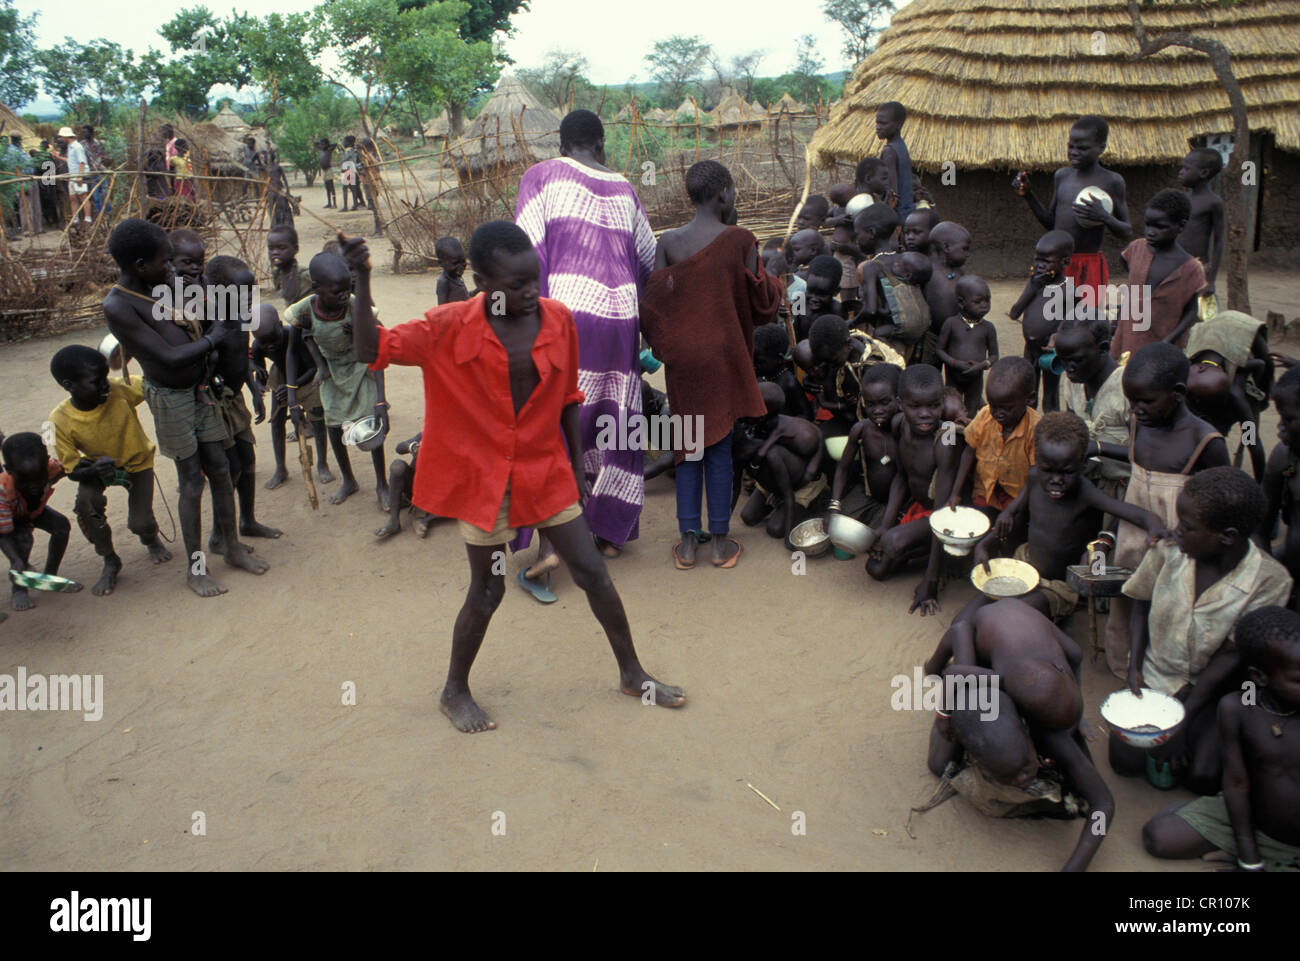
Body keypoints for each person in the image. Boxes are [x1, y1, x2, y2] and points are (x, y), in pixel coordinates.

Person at [349, 220, 685, 732]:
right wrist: (361, 280)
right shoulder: (446, 326)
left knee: (592, 572)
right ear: (482, 280)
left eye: (535, 280)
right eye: (517, 285)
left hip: (544, 469)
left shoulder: (557, 320)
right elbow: (369, 349)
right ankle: (453, 690)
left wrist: (576, 469)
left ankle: (632, 673)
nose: (532, 293)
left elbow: (569, 400)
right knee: (488, 592)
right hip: (485, 481)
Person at [512, 110, 658, 589]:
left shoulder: (541, 176)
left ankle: (552, 544)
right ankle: (610, 531)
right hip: (620, 322)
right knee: (616, 417)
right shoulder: (623, 187)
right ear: (600, 144)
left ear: (563, 144)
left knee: (557, 420)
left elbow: (526, 254)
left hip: (566, 316)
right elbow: (648, 258)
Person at [102, 218, 268, 597]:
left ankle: (231, 546)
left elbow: (207, 305)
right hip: (172, 399)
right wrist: (215, 339)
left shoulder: (163, 284)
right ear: (141, 265)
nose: (173, 269)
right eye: (167, 262)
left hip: (201, 390)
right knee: (192, 483)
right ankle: (196, 570)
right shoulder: (119, 305)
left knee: (223, 471)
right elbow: (169, 356)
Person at [640, 159, 782, 571]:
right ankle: (720, 544)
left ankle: (686, 545)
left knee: (688, 446)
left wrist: (670, 348)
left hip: (685, 360)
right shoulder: (740, 239)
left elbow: (653, 305)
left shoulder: (667, 241)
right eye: (733, 190)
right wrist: (772, 274)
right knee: (719, 447)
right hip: (724, 356)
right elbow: (764, 303)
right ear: (724, 193)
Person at [1117, 467, 1292, 793]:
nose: (1176, 530)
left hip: (1210, 690)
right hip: (1158, 675)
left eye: (1188, 527)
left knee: (1203, 778)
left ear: (1226, 536)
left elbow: (1230, 658)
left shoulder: (1270, 581)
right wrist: (1134, 668)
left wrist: (1183, 720)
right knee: (1125, 762)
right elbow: (1140, 601)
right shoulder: (1168, 550)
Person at [923, 601, 1114, 872]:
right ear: (974, 759)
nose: (1024, 780)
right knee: (938, 763)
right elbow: (958, 653)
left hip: (1035, 654)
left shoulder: (1050, 728)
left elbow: (1103, 805)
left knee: (1072, 769)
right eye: (1012, 775)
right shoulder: (1000, 679)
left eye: (1025, 768)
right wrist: (943, 715)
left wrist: (1075, 867)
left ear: (1028, 731)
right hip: (996, 634)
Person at [1102, 342, 1230, 677]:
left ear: (1177, 393)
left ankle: (1163, 675)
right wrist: (1107, 535)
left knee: (1169, 611)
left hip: (1180, 548)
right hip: (1133, 541)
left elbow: (1224, 504)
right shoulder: (1140, 426)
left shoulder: (1206, 443)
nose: (1136, 410)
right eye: (1132, 402)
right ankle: (1125, 667)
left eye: (1145, 401)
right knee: (1127, 599)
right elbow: (1134, 487)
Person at [1142, 606, 1300, 872]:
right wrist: (1249, 858)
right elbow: (1236, 784)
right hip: (1258, 820)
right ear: (1259, 677)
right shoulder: (1236, 709)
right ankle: (1260, 852)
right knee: (1158, 836)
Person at [969, 411, 1165, 623]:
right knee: (970, 613)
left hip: (1058, 587)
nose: (1056, 480)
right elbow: (1012, 514)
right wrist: (984, 545)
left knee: (1008, 614)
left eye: (1066, 472)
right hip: (1024, 565)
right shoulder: (1034, 479)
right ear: (1037, 462)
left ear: (1082, 466)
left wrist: (1153, 525)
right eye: (1048, 470)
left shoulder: (1085, 492)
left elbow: (1135, 514)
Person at [48, 345, 171, 596]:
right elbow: (71, 470)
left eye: (106, 377)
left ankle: (149, 538)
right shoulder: (58, 420)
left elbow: (152, 383)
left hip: (137, 462)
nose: (106, 385)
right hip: (97, 469)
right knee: (86, 504)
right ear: (69, 385)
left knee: (140, 523)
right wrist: (92, 468)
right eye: (96, 382)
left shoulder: (118, 389)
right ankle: (109, 558)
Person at [285, 252, 389, 508]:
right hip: (330, 370)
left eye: (347, 289)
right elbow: (292, 350)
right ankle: (349, 480)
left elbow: (379, 345)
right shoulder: (304, 310)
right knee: (333, 425)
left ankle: (382, 484)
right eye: (337, 292)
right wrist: (290, 395)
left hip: (360, 367)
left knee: (370, 427)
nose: (344, 295)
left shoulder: (355, 306)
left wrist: (380, 400)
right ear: (316, 289)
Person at [865, 363, 964, 614]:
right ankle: (923, 550)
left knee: (893, 543)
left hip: (946, 515)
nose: (925, 415)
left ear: (941, 403)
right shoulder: (900, 425)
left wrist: (930, 581)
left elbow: (943, 515)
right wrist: (886, 524)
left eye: (933, 406)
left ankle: (943, 560)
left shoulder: (944, 442)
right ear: (900, 403)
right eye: (915, 407)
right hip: (920, 508)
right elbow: (901, 477)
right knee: (875, 569)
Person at [1012, 115, 1132, 315]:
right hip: (1058, 263)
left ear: (1101, 148)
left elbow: (1126, 231)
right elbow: (1052, 224)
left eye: (1082, 148)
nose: (1074, 152)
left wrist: (1105, 217)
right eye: (1070, 147)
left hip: (1089, 265)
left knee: (1084, 321)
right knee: (1051, 317)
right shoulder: (1062, 176)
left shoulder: (1111, 181)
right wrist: (1029, 195)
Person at [204, 256, 281, 544]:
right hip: (216, 404)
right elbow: (210, 366)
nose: (250, 296)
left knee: (247, 461)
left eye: (251, 289)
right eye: (242, 290)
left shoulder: (239, 315)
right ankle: (218, 535)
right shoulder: (214, 322)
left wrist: (253, 389)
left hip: (235, 400)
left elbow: (242, 356)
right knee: (229, 470)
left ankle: (247, 521)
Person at [1110, 189, 1206, 360]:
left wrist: (1169, 340)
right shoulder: (1136, 249)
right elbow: (1132, 279)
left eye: (1160, 227)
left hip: (1163, 342)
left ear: (1181, 226)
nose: (1150, 232)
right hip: (1127, 336)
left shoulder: (1191, 269)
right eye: (1148, 224)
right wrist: (1118, 318)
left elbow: (1192, 312)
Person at [251, 304, 333, 490]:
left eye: (273, 339)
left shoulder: (294, 336)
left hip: (307, 379)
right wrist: (259, 388)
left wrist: (292, 388)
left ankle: (322, 464)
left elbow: (313, 368)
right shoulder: (258, 345)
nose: (269, 346)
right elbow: (261, 374)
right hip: (281, 379)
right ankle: (281, 469)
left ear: (281, 325)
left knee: (318, 419)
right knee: (277, 421)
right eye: (264, 343)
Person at [1186, 309, 1271, 481]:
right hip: (1212, 341)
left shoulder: (1236, 395)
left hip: (1243, 336)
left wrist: (1262, 394)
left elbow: (1253, 443)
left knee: (1249, 434)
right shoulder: (1187, 377)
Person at [1055, 313, 1131, 506]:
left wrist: (1098, 448)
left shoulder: (1127, 388)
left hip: (1124, 491)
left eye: (1076, 360)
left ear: (1103, 348)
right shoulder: (1072, 383)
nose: (1068, 368)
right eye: (1063, 360)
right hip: (1086, 485)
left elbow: (1147, 452)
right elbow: (1070, 428)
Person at [734, 382, 824, 541]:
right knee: (748, 517)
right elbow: (734, 486)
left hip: (798, 484)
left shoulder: (771, 450)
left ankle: (813, 503)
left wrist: (791, 537)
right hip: (777, 481)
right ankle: (778, 501)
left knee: (775, 530)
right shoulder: (759, 429)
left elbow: (789, 493)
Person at [0, 432, 77, 612]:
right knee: (23, 541)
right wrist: (15, 559)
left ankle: (48, 577)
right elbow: (3, 535)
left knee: (61, 526)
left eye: (38, 478)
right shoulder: (3, 490)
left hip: (32, 512)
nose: (34, 485)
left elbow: (72, 468)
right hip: (9, 520)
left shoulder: (52, 468)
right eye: (25, 481)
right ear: (9, 471)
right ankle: (19, 589)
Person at [1008, 230, 1074, 412]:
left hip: (1050, 353)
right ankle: (1029, 434)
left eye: (1046, 261)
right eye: (1037, 260)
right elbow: (1014, 313)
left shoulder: (1068, 291)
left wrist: (1056, 337)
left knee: (1051, 397)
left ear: (1065, 262)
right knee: (1028, 394)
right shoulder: (1035, 285)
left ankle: (1050, 433)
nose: (1039, 266)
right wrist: (1033, 286)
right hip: (1030, 349)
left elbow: (1070, 321)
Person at [829, 363, 901, 528]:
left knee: (880, 540)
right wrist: (834, 505)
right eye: (870, 404)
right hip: (871, 495)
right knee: (836, 527)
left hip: (899, 501)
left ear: (898, 400)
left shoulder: (905, 431)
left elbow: (905, 480)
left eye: (884, 402)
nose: (877, 410)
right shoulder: (861, 429)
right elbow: (842, 468)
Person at [935, 275, 997, 418]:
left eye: (988, 300)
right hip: (953, 377)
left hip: (975, 379)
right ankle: (950, 438)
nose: (985, 305)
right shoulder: (951, 323)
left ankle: (968, 438)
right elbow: (939, 349)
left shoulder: (988, 328)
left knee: (971, 410)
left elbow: (994, 356)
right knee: (950, 409)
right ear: (961, 303)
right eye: (978, 301)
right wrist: (955, 363)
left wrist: (982, 365)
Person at [1177, 147, 1226, 305]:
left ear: (1204, 173)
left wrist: (1211, 280)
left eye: (1186, 168)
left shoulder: (1213, 202)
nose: (1181, 172)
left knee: (1195, 312)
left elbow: (1219, 241)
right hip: (1175, 265)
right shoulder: (1182, 199)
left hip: (1198, 268)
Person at [921, 222, 971, 368]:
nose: (967, 254)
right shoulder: (927, 272)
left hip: (956, 336)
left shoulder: (960, 273)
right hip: (931, 336)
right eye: (964, 249)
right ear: (946, 247)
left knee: (956, 373)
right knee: (929, 372)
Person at [374, 433, 433, 540]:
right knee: (398, 466)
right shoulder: (426, 435)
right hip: (415, 488)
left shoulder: (452, 443)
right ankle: (394, 520)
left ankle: (423, 516)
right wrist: (413, 447)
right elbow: (399, 448)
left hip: (436, 494)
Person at [876, 100, 914, 220]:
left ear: (898, 124)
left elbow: (892, 193)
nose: (878, 127)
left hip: (897, 215)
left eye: (883, 123)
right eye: (877, 123)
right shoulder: (901, 146)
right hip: (907, 211)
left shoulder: (889, 151)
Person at [268, 225, 312, 305]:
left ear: (296, 249)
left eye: (282, 248)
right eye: (271, 248)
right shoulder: (277, 274)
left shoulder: (306, 276)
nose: (275, 252)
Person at [59, 126, 92, 225]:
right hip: (72, 174)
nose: (61, 139)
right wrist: (58, 157)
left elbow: (82, 162)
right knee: (72, 197)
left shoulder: (77, 147)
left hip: (78, 173)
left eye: (62, 137)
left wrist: (80, 176)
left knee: (83, 196)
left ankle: (88, 218)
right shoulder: (70, 147)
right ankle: (75, 218)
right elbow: (71, 161)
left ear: (66, 136)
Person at [81, 125, 111, 219]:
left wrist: (99, 163)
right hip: (92, 173)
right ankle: (100, 215)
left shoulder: (99, 143)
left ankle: (109, 213)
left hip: (101, 171)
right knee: (96, 196)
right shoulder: (82, 144)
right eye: (83, 132)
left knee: (106, 193)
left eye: (86, 132)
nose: (84, 134)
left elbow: (104, 156)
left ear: (91, 132)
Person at [435, 236, 469, 304]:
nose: (460, 267)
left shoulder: (456, 278)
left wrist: (478, 289)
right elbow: (442, 309)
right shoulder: (444, 282)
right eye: (455, 263)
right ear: (441, 263)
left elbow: (465, 298)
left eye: (463, 261)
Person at [316, 137, 338, 209]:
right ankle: (329, 203)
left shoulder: (329, 150)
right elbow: (315, 144)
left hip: (328, 170)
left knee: (331, 187)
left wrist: (328, 145)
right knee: (327, 187)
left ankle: (334, 203)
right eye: (321, 144)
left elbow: (335, 144)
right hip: (324, 171)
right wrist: (321, 144)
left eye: (323, 144)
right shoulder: (321, 150)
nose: (321, 145)